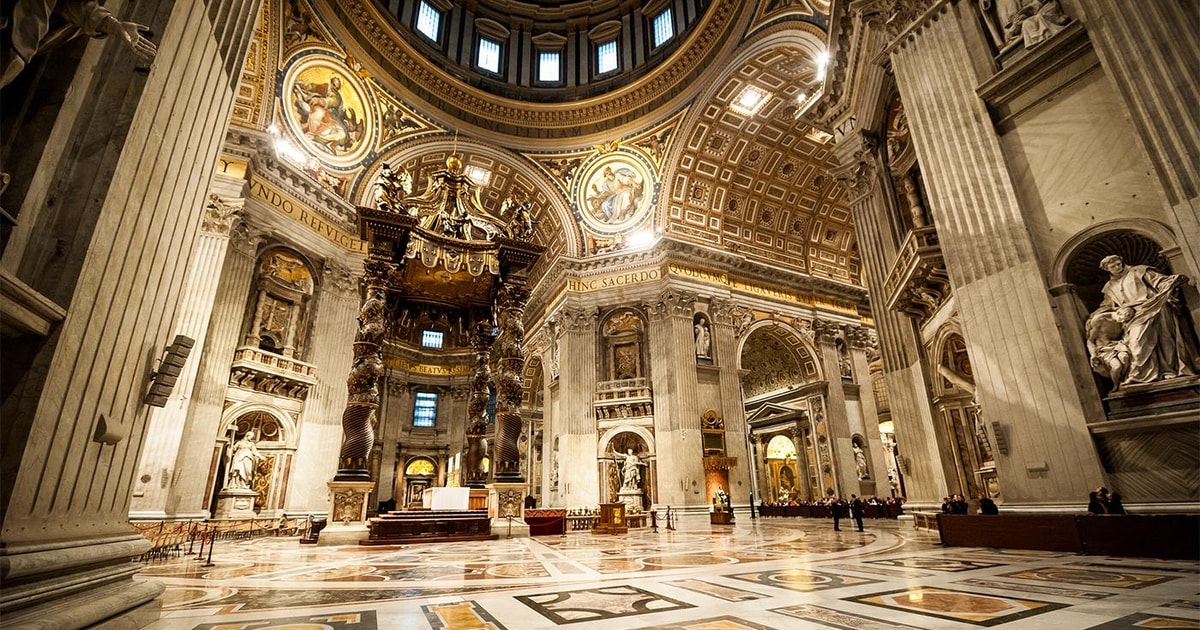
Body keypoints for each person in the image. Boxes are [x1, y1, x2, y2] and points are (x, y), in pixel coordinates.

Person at [1087, 255, 1198, 388]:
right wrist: (1098, 315)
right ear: (1106, 269)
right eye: (1113, 266)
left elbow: (1159, 281)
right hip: (1131, 315)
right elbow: (1107, 305)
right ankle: (1139, 376)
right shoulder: (1109, 287)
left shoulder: (1139, 270)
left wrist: (1170, 283)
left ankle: (1168, 371)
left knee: (1165, 340)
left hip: (1154, 307)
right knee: (1136, 343)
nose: (1117, 267)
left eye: (1119, 263)